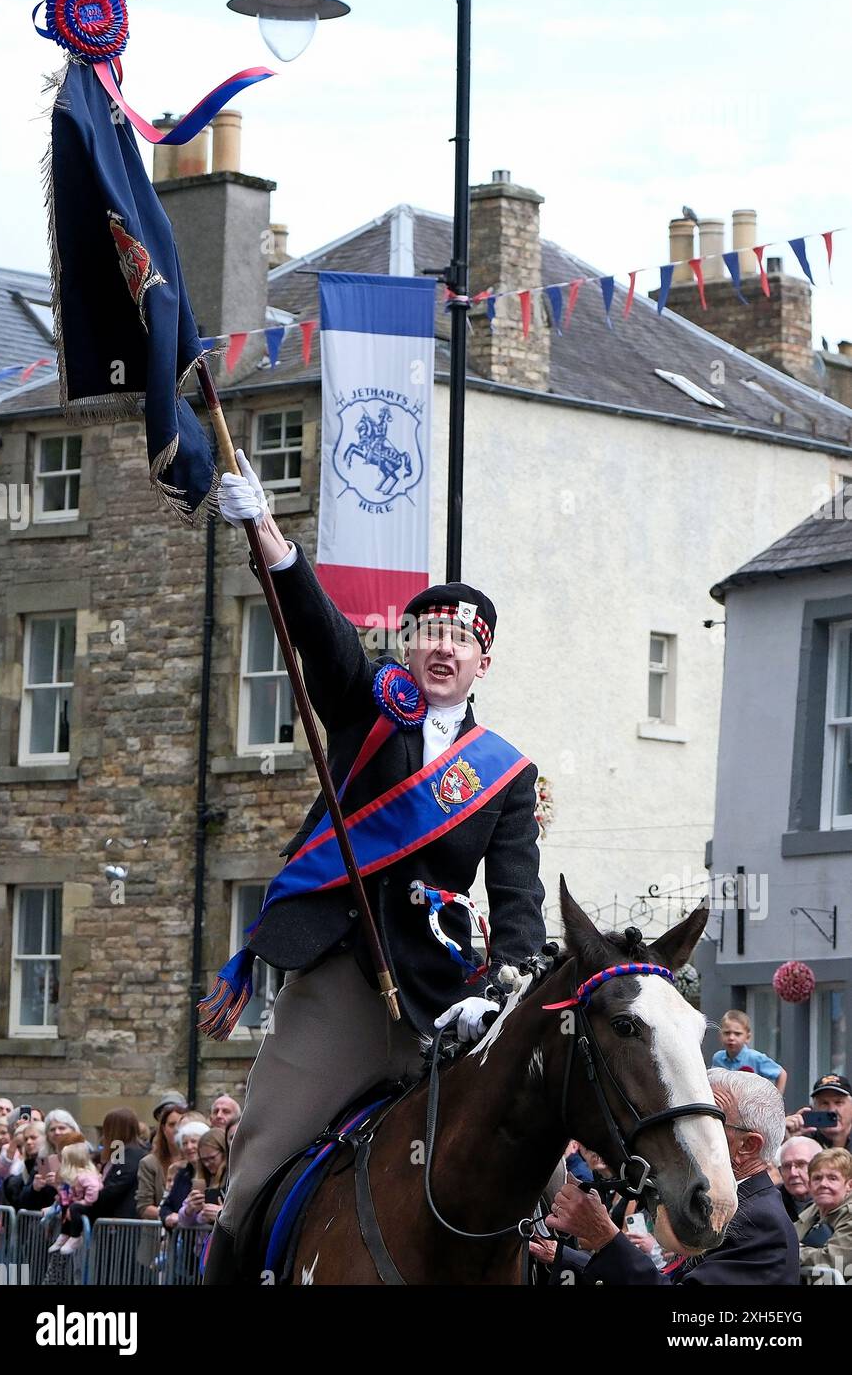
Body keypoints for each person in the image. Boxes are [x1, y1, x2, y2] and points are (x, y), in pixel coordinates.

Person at [206, 453, 547, 1282]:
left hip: (443, 996)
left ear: (482, 662)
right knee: (255, 1170)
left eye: (460, 639)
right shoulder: (371, 708)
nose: (442, 649)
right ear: (409, 644)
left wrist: (499, 994)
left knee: (532, 1184)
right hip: (345, 981)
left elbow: (519, 903)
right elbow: (321, 639)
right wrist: (272, 540)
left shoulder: (505, 773)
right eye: (429, 633)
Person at [546, 1067, 799, 1284]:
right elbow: (663, 1278)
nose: (680, 1135)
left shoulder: (761, 1222)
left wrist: (604, 1236)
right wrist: (567, 1257)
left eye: (706, 1122)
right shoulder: (722, 1202)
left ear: (747, 1146)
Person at [796, 1148, 852, 1284]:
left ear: (849, 1185)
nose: (823, 1184)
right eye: (817, 1178)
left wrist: (793, 1251)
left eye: (832, 1178)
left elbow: (832, 1261)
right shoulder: (811, 1211)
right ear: (809, 1185)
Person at [47, 1136, 102, 1257]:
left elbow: (93, 1188)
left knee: (74, 1208)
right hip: (80, 1202)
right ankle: (64, 1234)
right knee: (66, 1206)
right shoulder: (75, 1177)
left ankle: (75, 1236)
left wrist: (86, 1201)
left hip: (90, 1206)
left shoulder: (85, 1175)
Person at [711, 1010, 787, 1093]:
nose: (731, 1038)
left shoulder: (755, 1058)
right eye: (727, 1033)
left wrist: (777, 1099)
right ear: (720, 1035)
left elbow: (781, 1074)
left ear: (748, 1038)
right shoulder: (717, 1058)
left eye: (737, 1034)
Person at [135, 1104, 185, 1222]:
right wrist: (169, 1215)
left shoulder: (195, 1162)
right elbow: (144, 1207)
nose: (177, 1129)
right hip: (157, 1234)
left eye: (181, 1124)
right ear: (163, 1128)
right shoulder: (149, 1163)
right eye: (172, 1125)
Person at [95, 1109, 147, 1220]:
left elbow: (114, 1188)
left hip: (122, 1222)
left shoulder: (128, 1154)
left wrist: (90, 1200)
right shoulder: (127, 1152)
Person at [160, 1120, 210, 1230]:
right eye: (185, 1143)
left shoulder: (213, 1173)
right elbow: (167, 1205)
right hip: (183, 1240)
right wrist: (168, 1217)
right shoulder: (182, 1174)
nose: (189, 1147)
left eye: (193, 1141)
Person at [785, 1073, 852, 1152]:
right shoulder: (804, 1140)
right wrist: (787, 1142)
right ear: (814, 1108)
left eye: (838, 1102)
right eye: (824, 1103)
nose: (832, 1110)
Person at [176, 1128, 227, 1231]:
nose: (207, 1164)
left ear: (224, 1152)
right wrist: (189, 1210)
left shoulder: (232, 1179)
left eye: (212, 1158)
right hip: (203, 1242)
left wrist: (222, 1213)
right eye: (204, 1160)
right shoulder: (202, 1180)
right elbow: (182, 1220)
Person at [778, 1136, 824, 1220]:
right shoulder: (772, 1201)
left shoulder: (836, 1200)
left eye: (801, 1164)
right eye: (787, 1166)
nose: (793, 1173)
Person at [5, 1120, 47, 1209]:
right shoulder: (30, 1163)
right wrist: (33, 1188)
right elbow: (22, 1202)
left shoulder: (47, 1161)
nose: (28, 1142)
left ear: (46, 1138)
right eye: (26, 1139)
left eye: (33, 1138)